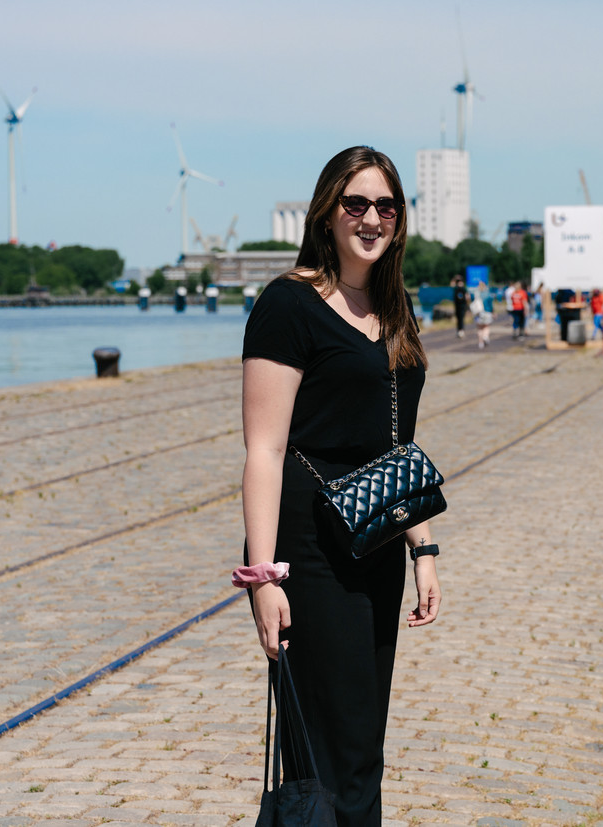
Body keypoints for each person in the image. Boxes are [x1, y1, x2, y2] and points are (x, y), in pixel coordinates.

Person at [238, 146, 442, 824]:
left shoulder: (393, 306)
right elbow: (265, 449)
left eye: (387, 206)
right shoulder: (288, 304)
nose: (371, 219)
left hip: (374, 541)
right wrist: (263, 578)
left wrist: (423, 547)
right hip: (309, 549)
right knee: (333, 748)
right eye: (356, 203)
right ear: (327, 212)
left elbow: (395, 446)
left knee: (360, 745)